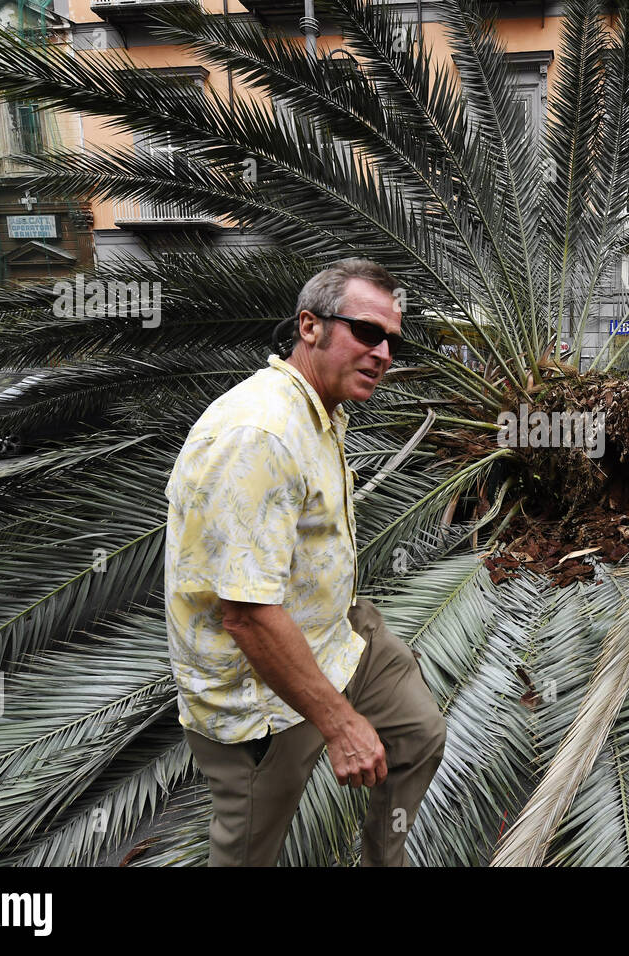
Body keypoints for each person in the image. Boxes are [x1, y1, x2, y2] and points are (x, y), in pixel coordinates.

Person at [164, 258, 446, 866]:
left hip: (333, 633)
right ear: (310, 326)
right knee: (247, 855)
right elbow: (245, 614)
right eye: (367, 333)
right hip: (257, 693)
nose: (384, 354)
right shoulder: (261, 433)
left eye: (393, 340)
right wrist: (342, 725)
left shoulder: (318, 408)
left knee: (418, 733)